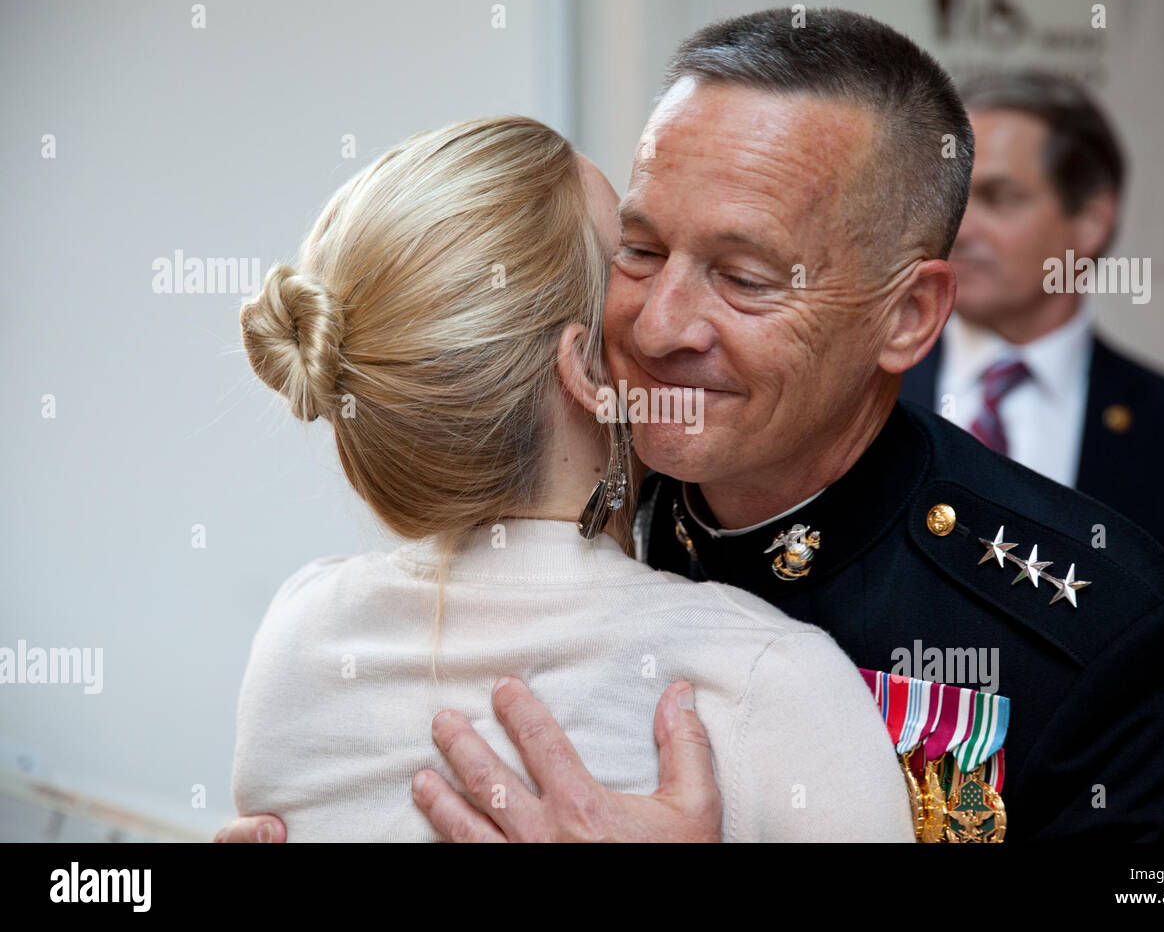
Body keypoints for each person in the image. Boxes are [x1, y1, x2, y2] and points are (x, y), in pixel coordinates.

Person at [220, 8, 1164, 844]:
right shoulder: (558, 494)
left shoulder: (1104, 641)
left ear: (907, 315)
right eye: (639, 250)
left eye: (745, 279)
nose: (658, 327)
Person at [228, 116, 913, 842]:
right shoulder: (766, 684)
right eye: (636, 258)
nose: (664, 320)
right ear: (585, 369)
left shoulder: (296, 631)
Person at [897, 70, 1164, 837]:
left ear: (1090, 219)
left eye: (1001, 198)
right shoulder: (864, 400)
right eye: (955, 198)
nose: (963, 227)